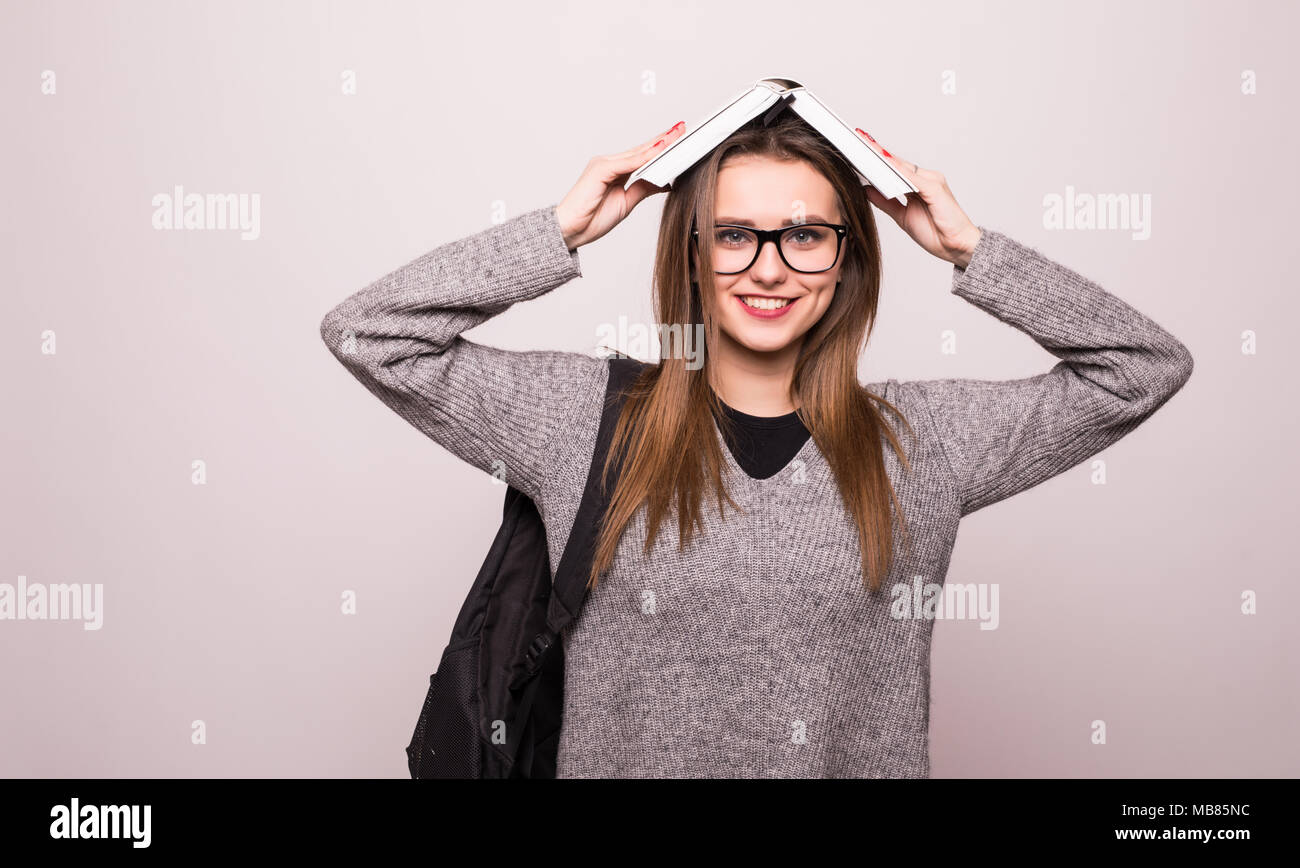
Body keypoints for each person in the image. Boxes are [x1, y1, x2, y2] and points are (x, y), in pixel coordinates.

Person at [319, 112, 1193, 777]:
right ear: (691, 252)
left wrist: (968, 247)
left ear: (847, 258)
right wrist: (560, 231)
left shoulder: (926, 442)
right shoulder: (580, 416)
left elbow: (1143, 366)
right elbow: (370, 334)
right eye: (734, 234)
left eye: (805, 235)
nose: (768, 267)